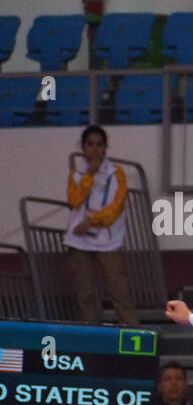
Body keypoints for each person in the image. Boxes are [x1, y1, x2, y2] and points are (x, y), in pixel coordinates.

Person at [64, 125, 139, 325]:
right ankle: (91, 338)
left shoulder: (117, 174)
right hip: (79, 241)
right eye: (90, 145)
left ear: (105, 147)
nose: (94, 149)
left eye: (99, 145)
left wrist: (91, 221)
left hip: (108, 240)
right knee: (85, 294)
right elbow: (74, 200)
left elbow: (116, 206)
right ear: (83, 147)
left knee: (119, 291)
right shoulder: (76, 174)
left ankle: (135, 336)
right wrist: (89, 175)